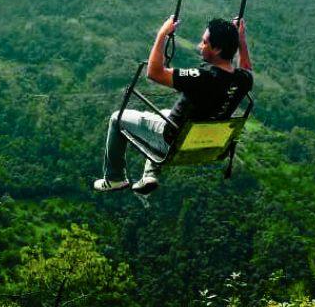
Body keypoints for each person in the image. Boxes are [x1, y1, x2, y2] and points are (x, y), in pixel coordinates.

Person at [94, 15, 253, 195]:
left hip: (171, 142)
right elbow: (246, 67)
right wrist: (241, 40)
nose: (200, 46)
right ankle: (150, 174)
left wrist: (162, 33)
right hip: (205, 145)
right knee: (164, 112)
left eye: (204, 42)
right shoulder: (243, 80)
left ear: (217, 49)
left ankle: (114, 178)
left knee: (117, 118)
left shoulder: (202, 77)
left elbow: (154, 73)